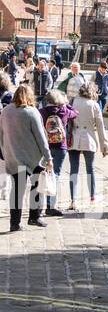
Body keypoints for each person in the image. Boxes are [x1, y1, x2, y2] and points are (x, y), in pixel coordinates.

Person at [2, 84, 52, 230]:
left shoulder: (6, 111)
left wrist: (5, 152)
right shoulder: (31, 112)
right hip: (33, 157)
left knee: (17, 190)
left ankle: (14, 223)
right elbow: (41, 138)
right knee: (37, 186)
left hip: (13, 156)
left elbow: (1, 134)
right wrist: (48, 157)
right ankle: (34, 217)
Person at [68, 83, 108, 210]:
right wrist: (104, 146)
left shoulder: (72, 102)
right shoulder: (94, 105)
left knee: (73, 170)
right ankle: (92, 198)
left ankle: (73, 200)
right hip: (89, 139)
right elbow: (100, 127)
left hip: (73, 138)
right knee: (90, 169)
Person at [38, 88, 77, 215]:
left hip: (45, 147)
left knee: (42, 174)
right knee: (55, 175)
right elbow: (75, 113)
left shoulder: (41, 112)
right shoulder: (64, 111)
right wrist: (66, 103)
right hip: (60, 146)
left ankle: (39, 205)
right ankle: (51, 206)